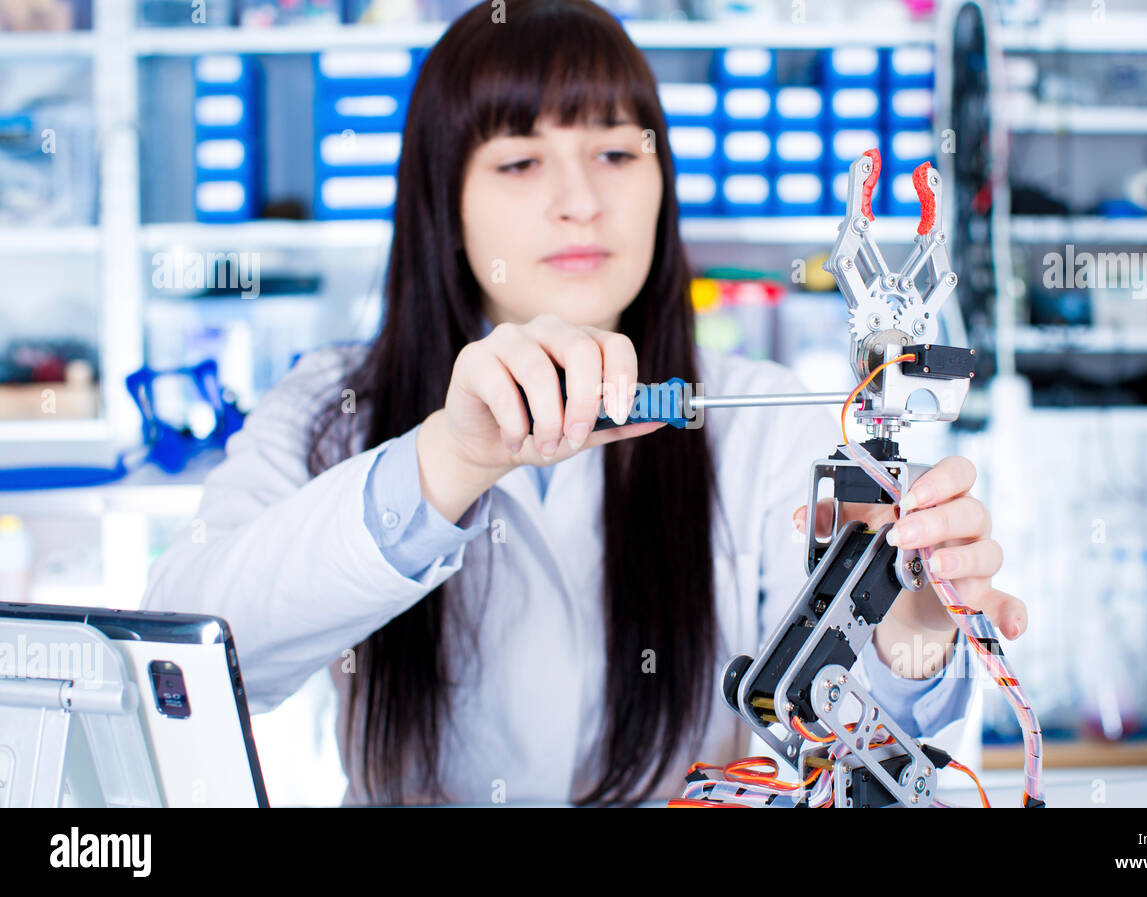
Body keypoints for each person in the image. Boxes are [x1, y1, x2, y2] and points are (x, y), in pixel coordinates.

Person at [142, 0, 1027, 806]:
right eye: (521, 160)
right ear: (443, 203)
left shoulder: (765, 419)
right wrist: (447, 459)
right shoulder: (329, 405)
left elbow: (857, 747)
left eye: (615, 152)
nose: (580, 203)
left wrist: (907, 623)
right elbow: (187, 663)